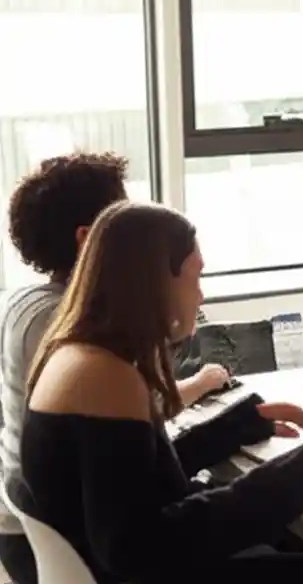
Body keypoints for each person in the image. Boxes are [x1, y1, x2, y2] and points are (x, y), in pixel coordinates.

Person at [15, 201, 303, 583]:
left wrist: (241, 426)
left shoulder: (77, 355)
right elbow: (139, 546)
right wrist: (292, 477)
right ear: (157, 283)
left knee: (294, 543)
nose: (200, 296)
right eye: (195, 277)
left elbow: (136, 478)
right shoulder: (105, 376)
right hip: (137, 571)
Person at [0, 153, 228, 584]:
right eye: (119, 221)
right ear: (91, 239)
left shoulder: (30, 303)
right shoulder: (71, 333)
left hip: (55, 525)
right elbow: (132, 536)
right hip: (57, 543)